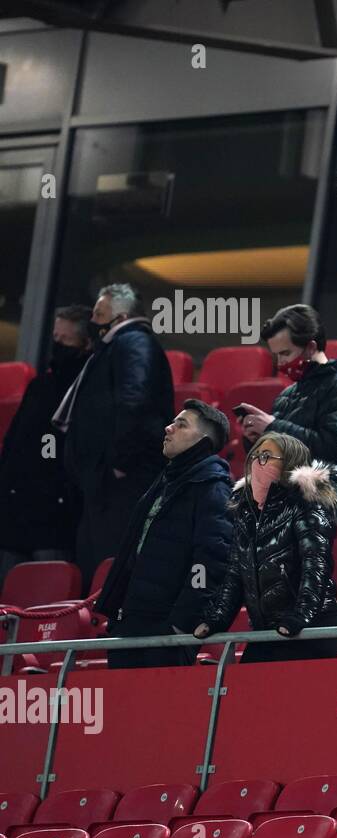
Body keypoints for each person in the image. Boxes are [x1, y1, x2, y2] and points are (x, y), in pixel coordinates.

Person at [55, 283, 175, 593]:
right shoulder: (116, 346)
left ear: (120, 316)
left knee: (111, 566)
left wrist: (119, 464)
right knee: (96, 566)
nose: (92, 321)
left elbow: (135, 402)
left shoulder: (134, 342)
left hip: (121, 480)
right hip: (104, 481)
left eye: (99, 313)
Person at [95, 400, 233, 668]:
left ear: (204, 441)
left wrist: (180, 625)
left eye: (181, 425)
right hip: (131, 625)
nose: (168, 428)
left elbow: (211, 562)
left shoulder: (213, 488)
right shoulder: (167, 481)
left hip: (165, 633)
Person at [195, 433, 337, 662]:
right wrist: (217, 618)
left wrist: (300, 616)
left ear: (290, 464)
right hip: (266, 630)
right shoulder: (246, 512)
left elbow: (316, 567)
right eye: (255, 455)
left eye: (266, 456)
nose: (257, 462)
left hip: (309, 629)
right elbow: (236, 573)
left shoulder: (306, 505)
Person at [0, 306, 94, 582]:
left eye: (66, 340)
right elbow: (14, 441)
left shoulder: (88, 387)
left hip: (55, 513)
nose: (58, 344)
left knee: (48, 591)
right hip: (16, 507)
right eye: (56, 336)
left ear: (86, 343)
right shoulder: (40, 385)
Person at [235, 304, 337, 469]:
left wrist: (273, 427)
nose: (280, 363)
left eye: (285, 353)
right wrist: (257, 438)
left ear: (311, 348)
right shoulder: (286, 395)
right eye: (276, 355)